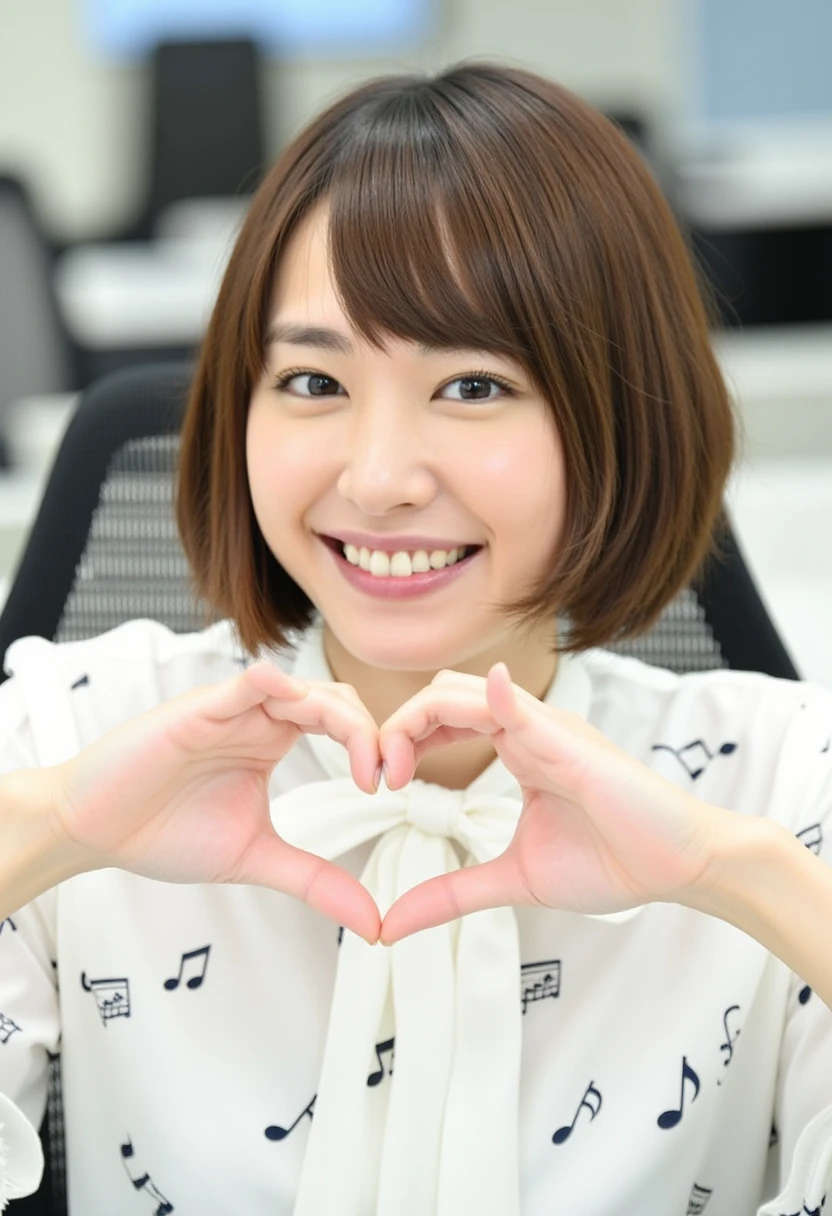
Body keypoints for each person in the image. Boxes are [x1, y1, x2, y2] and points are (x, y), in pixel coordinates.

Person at [0, 61, 831, 1216]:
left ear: (620, 416)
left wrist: (732, 876)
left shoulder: (779, 782)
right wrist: (47, 831)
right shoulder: (71, 731)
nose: (379, 477)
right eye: (311, 379)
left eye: (474, 387)